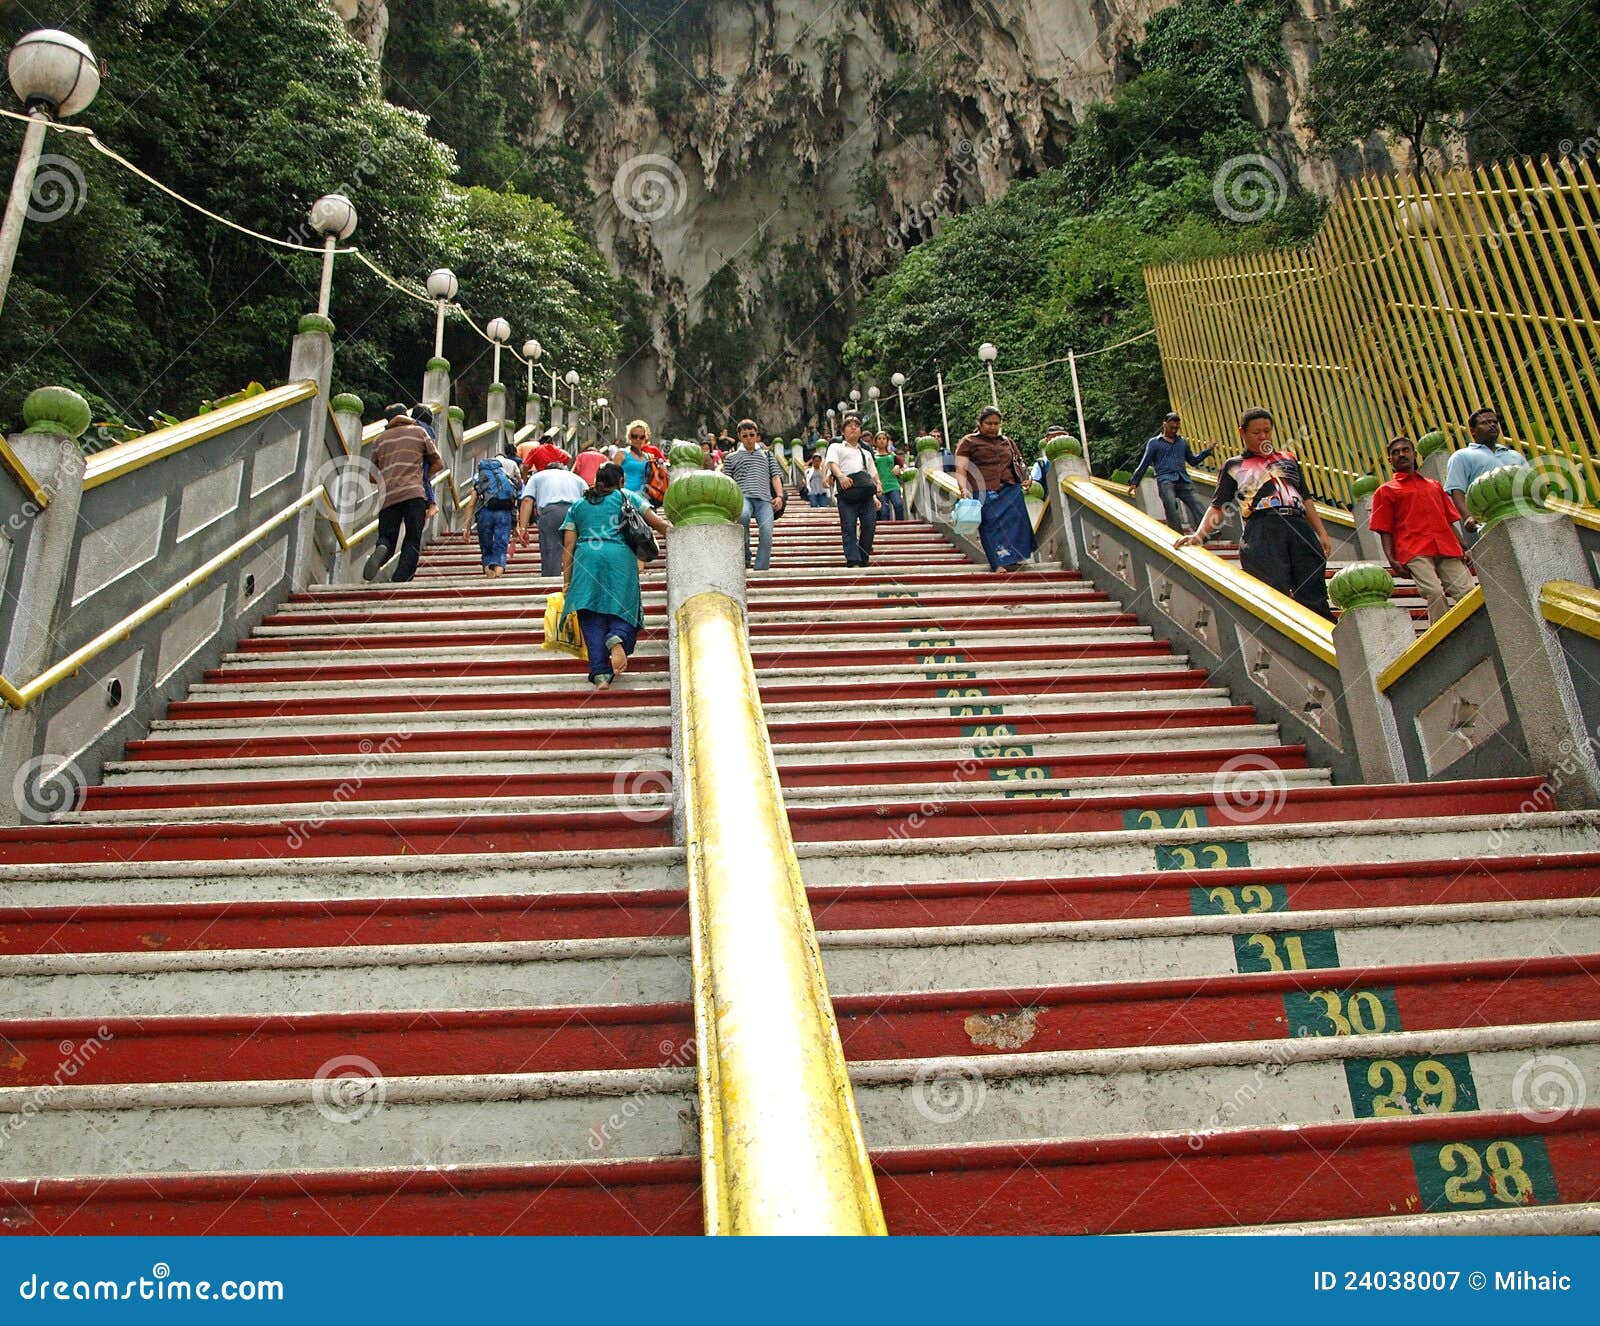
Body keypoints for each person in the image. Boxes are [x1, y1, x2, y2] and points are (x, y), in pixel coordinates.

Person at [1177, 407, 1335, 621]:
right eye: (1256, 432)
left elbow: (1305, 498)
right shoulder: (1234, 465)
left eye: (1267, 431)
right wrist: (1198, 535)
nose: (1263, 436)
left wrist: (1321, 533)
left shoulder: (1288, 458)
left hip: (1298, 525)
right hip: (1262, 528)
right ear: (1242, 432)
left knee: (1313, 594)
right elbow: (1218, 506)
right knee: (1273, 592)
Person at [561, 462, 671, 689]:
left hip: (587, 558)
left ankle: (601, 674)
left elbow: (569, 544)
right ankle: (617, 636)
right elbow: (657, 523)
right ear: (620, 481)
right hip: (619, 558)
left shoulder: (578, 505)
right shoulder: (626, 496)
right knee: (624, 605)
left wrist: (567, 581)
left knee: (590, 613)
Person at [1370, 435, 1473, 622]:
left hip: (1447, 546)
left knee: (1468, 592)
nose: (1401, 455)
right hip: (1414, 550)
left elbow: (1448, 520)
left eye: (1405, 450)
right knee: (1434, 593)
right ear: (1389, 460)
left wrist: (1463, 547)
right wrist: (1392, 559)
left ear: (1414, 454)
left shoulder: (1434, 485)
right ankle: (1440, 639)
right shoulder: (1385, 491)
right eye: (1396, 452)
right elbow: (1384, 529)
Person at [364, 405, 443, 583]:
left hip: (388, 496)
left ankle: (382, 547)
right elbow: (438, 463)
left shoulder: (379, 440)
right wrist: (421, 477)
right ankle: (401, 577)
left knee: (387, 536)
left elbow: (371, 476)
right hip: (414, 493)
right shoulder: (418, 432)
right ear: (405, 414)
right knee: (412, 538)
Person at [955, 407, 1036, 574]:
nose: (992, 427)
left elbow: (1019, 462)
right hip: (983, 490)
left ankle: (1013, 558)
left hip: (1010, 487)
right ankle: (997, 563)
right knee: (989, 524)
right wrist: (963, 489)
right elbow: (961, 468)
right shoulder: (968, 442)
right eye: (988, 423)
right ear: (980, 423)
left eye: (996, 423)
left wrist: (1026, 477)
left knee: (1016, 522)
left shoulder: (1007, 442)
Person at [1128, 412, 1215, 534]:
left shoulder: (1182, 442)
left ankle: (1207, 532)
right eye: (1171, 427)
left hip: (1183, 478)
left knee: (1197, 503)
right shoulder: (1154, 443)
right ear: (1164, 425)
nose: (1174, 430)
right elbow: (1145, 462)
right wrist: (1135, 481)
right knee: (1171, 505)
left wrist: (1206, 452)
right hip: (1165, 479)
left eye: (1176, 428)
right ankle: (1177, 533)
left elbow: (1192, 461)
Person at [1445, 407, 1527, 534]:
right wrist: (1468, 516)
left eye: (1494, 422)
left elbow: (1530, 482)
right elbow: (1457, 490)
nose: (1492, 425)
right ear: (1472, 431)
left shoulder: (1515, 455)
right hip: (1490, 520)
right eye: (1485, 423)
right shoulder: (1462, 456)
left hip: (1525, 513)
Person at [722, 418, 785, 570]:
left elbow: (775, 476)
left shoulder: (767, 455)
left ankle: (761, 567)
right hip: (742, 497)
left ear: (757, 435)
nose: (749, 439)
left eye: (751, 435)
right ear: (739, 436)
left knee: (767, 532)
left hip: (764, 499)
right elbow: (727, 482)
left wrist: (779, 496)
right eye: (745, 436)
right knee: (742, 517)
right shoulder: (731, 458)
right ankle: (744, 557)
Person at [519, 456, 589, 577]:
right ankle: (575, 580)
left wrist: (523, 528)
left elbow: (527, 501)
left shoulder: (538, 476)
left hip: (551, 514)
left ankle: (551, 583)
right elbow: (588, 499)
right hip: (575, 513)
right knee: (575, 549)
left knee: (551, 551)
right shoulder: (577, 478)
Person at [826, 413, 880, 566]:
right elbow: (832, 463)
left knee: (869, 524)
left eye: (857, 425)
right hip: (847, 491)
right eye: (849, 425)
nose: (854, 428)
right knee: (849, 526)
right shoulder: (836, 447)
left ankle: (863, 556)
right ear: (842, 431)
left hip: (865, 493)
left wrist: (877, 489)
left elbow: (872, 473)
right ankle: (853, 559)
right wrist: (841, 476)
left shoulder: (866, 452)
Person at [412, 405, 439, 524]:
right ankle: (432, 503)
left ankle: (432, 504)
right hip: (425, 461)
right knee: (425, 479)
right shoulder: (430, 431)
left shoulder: (412, 426)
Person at [873, 430, 905, 521]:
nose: (882, 440)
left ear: (887, 441)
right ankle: (885, 529)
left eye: (884, 438)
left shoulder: (893, 456)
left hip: (893, 484)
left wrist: (898, 468)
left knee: (898, 504)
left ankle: (901, 525)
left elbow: (901, 468)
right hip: (881, 485)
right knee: (884, 510)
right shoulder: (874, 457)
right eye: (879, 439)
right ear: (876, 441)